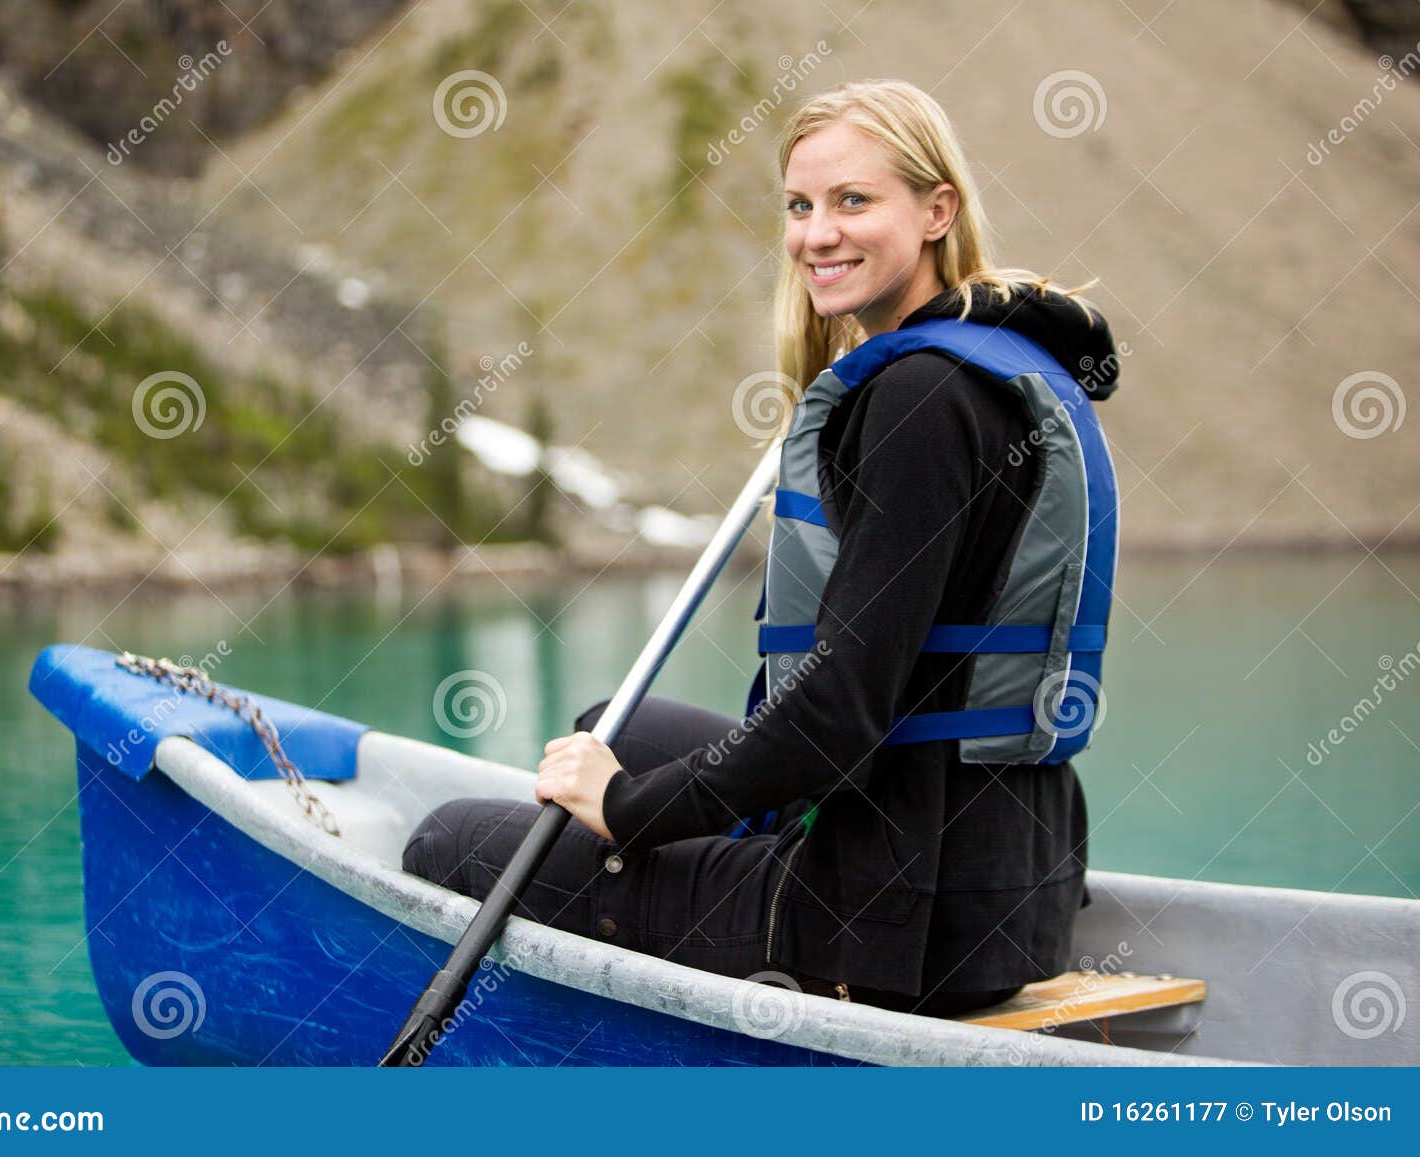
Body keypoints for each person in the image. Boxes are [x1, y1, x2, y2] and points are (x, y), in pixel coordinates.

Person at [403, 78, 1121, 1018]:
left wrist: (630, 810)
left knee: (446, 839)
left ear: (937, 210)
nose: (817, 234)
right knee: (610, 723)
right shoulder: (1000, 360)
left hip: (890, 920)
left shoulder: (919, 402)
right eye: (799, 206)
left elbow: (837, 711)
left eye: (853, 201)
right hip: (1006, 880)